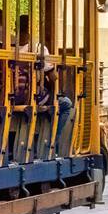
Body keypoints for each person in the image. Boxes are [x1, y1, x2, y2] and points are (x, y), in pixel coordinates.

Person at [18, 15, 72, 151]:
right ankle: (54, 141)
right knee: (65, 104)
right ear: (31, 30)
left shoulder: (11, 47)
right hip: (30, 95)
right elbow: (53, 77)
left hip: (12, 94)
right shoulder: (37, 48)